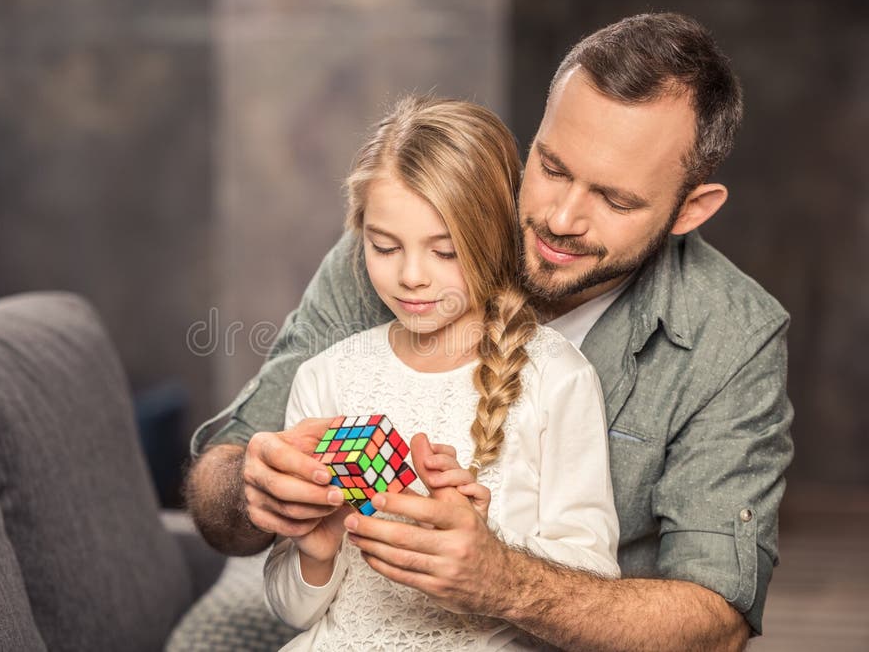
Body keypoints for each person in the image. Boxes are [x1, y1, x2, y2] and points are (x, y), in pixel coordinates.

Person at [186, 12, 794, 651]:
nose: (560, 218)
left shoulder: (732, 336)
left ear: (690, 210)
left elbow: (717, 623)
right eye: (553, 167)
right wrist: (257, 491)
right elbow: (221, 483)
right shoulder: (404, 236)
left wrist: (501, 579)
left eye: (615, 201)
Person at [262, 96, 620, 650]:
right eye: (384, 247)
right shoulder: (326, 377)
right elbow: (292, 611)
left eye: (445, 252)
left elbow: (595, 582)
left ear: (493, 239)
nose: (411, 276)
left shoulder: (558, 378)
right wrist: (315, 548)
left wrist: (491, 552)